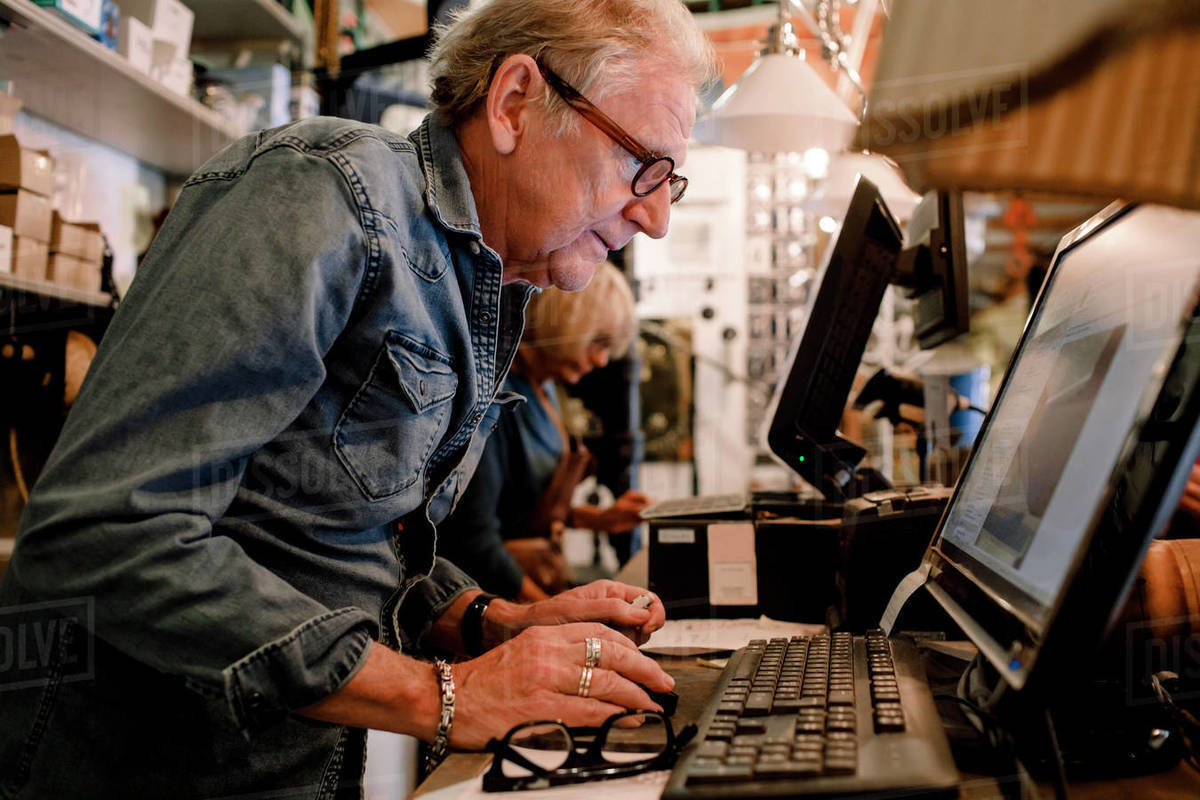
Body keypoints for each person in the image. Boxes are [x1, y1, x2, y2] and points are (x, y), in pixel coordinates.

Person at [0, 1, 717, 795]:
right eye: (640, 165)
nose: (654, 219)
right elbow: (104, 532)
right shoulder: (321, 196)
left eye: (671, 184)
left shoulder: (478, 278)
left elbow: (335, 534)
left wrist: (484, 620)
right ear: (516, 102)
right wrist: (447, 694)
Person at [439, 262, 651, 602]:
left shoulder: (543, 387)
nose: (601, 361)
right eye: (597, 343)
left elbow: (522, 504)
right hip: (491, 598)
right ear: (568, 323)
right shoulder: (497, 396)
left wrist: (600, 520)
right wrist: (549, 614)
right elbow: (474, 542)